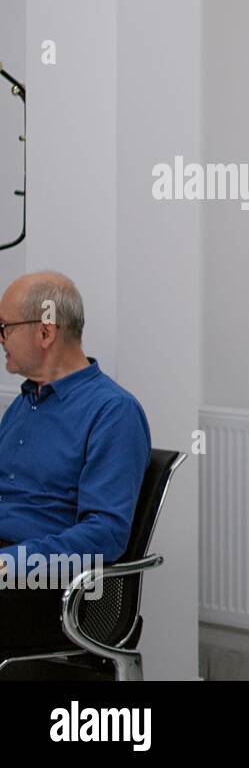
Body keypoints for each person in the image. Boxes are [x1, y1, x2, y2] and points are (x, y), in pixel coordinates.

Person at [0, 271, 151, 654]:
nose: (1, 340)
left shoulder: (113, 412)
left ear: (45, 333)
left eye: (5, 328)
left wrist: (10, 565)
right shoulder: (24, 404)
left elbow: (105, 535)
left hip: (48, 588)